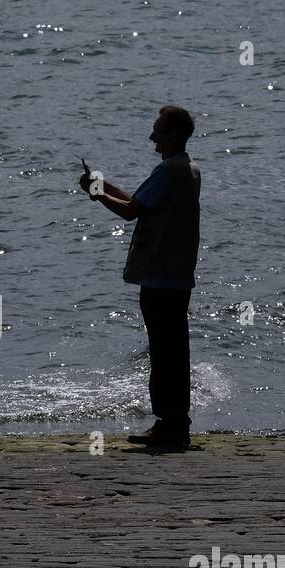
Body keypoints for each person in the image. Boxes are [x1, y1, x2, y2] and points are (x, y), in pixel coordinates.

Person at [79, 105, 201, 450]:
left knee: (164, 354)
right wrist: (101, 185)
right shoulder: (188, 170)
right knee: (173, 352)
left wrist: (96, 192)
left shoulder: (170, 171)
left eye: (159, 131)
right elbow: (139, 201)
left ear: (175, 135)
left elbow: (130, 211)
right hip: (177, 276)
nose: (152, 137)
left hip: (161, 277)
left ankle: (169, 425)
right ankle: (176, 423)